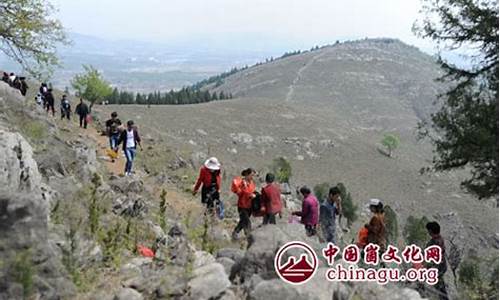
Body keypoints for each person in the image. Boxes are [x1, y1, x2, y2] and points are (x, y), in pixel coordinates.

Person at [425, 221, 449, 300]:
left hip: (437, 268)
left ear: (431, 231)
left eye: (428, 230)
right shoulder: (440, 239)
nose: (428, 232)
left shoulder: (435, 242)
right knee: (440, 288)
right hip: (440, 267)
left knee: (440, 289)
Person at [231, 168, 256, 240]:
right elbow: (241, 193)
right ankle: (249, 237)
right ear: (247, 175)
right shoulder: (242, 183)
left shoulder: (251, 183)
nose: (252, 177)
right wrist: (250, 195)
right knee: (247, 222)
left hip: (249, 206)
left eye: (253, 176)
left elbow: (252, 191)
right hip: (242, 205)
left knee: (242, 221)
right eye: (251, 175)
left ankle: (235, 233)